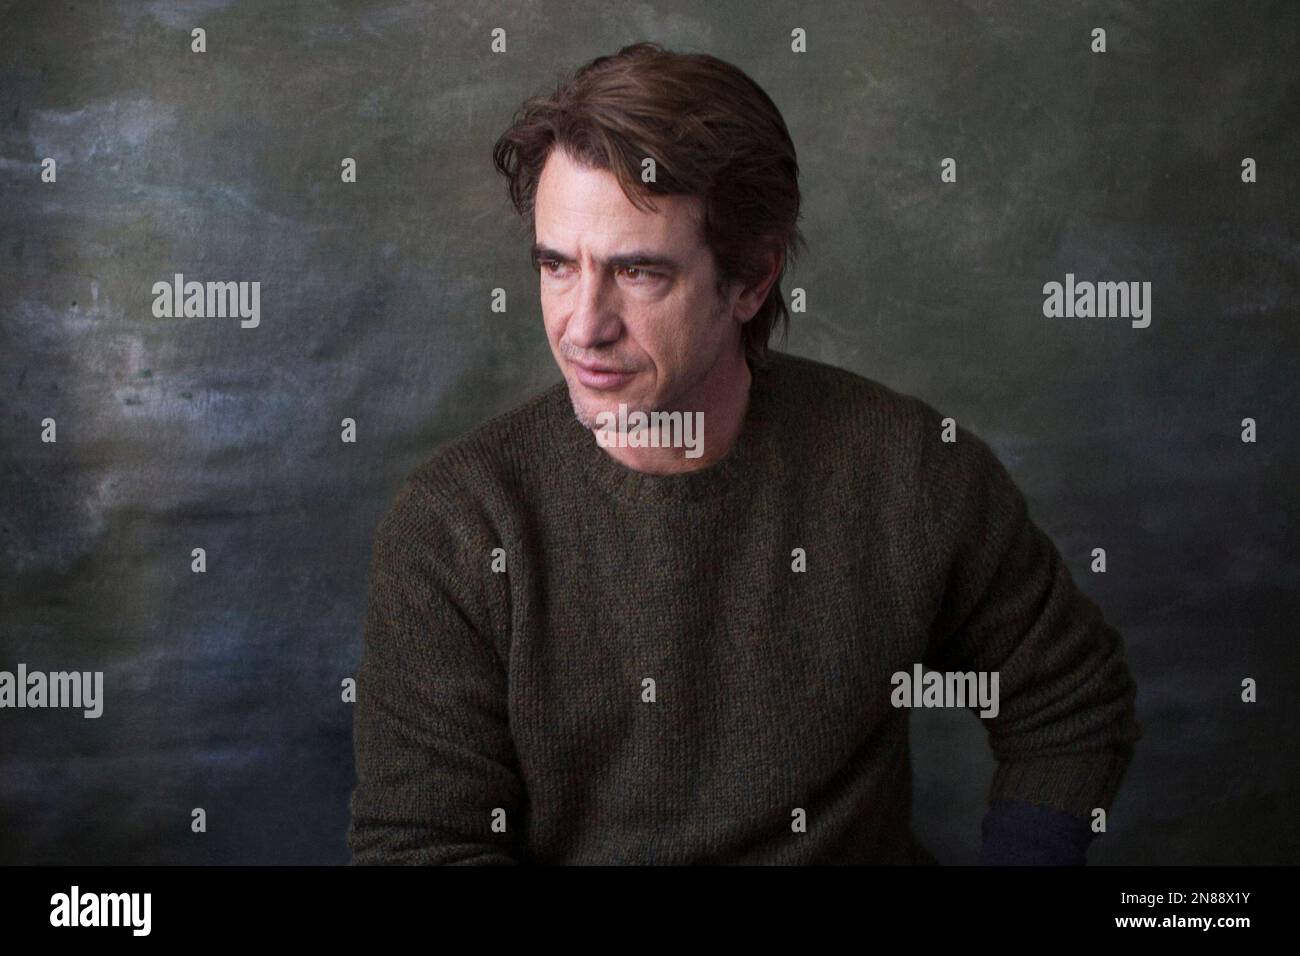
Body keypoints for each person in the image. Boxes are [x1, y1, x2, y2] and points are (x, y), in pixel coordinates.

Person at [346, 42, 1141, 865]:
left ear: (751, 281)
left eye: (639, 272)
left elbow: (1069, 700)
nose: (583, 325)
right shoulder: (460, 524)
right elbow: (420, 847)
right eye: (556, 265)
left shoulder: (908, 468)